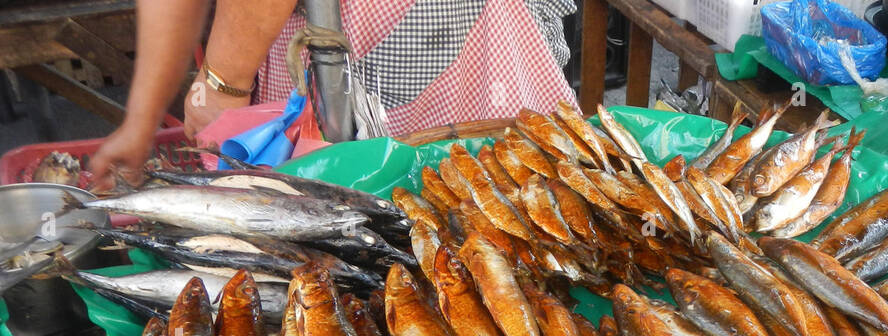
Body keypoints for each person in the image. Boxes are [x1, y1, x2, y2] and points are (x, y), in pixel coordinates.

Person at [89, 0, 576, 188]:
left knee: (470, 232)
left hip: (412, 39)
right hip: (307, 46)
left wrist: (223, 83)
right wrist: (142, 117)